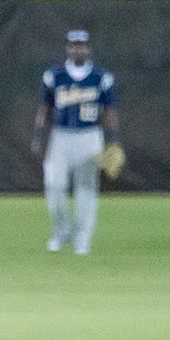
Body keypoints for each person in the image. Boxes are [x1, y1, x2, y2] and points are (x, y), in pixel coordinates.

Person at [31, 29, 121, 255]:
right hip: (60, 136)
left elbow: (109, 112)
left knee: (86, 189)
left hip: (90, 136)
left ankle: (83, 238)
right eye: (74, 45)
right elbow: (45, 109)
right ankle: (61, 232)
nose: (78, 49)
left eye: (82, 46)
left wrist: (113, 141)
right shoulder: (54, 76)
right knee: (54, 185)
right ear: (67, 49)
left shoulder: (101, 78)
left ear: (88, 49)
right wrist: (39, 135)